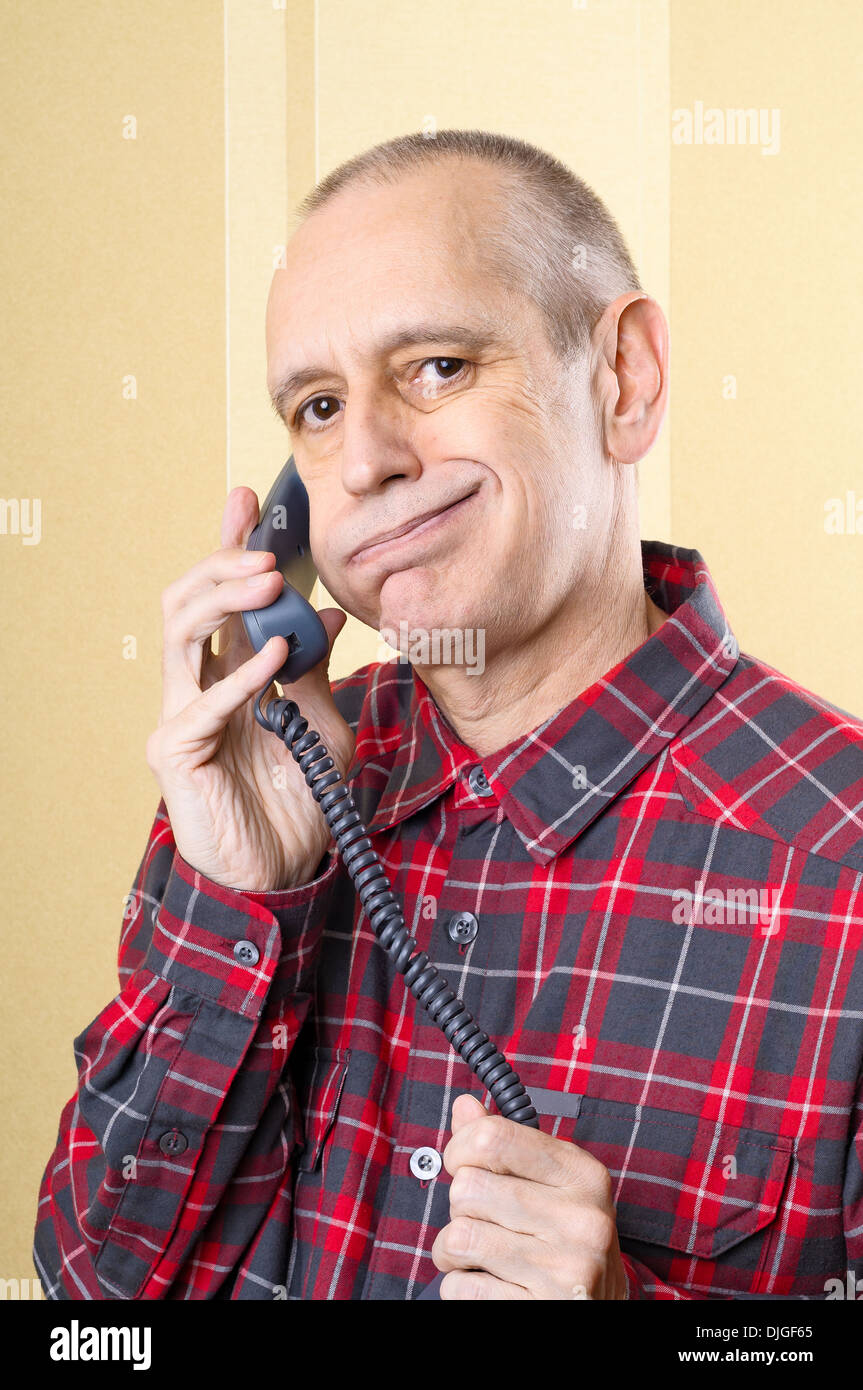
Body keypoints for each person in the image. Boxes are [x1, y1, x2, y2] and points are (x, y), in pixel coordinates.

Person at [34, 130, 863, 1300]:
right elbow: (92, 1293)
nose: (363, 458)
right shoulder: (264, 779)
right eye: (316, 407)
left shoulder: (841, 854)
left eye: (435, 367)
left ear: (621, 378)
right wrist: (236, 905)